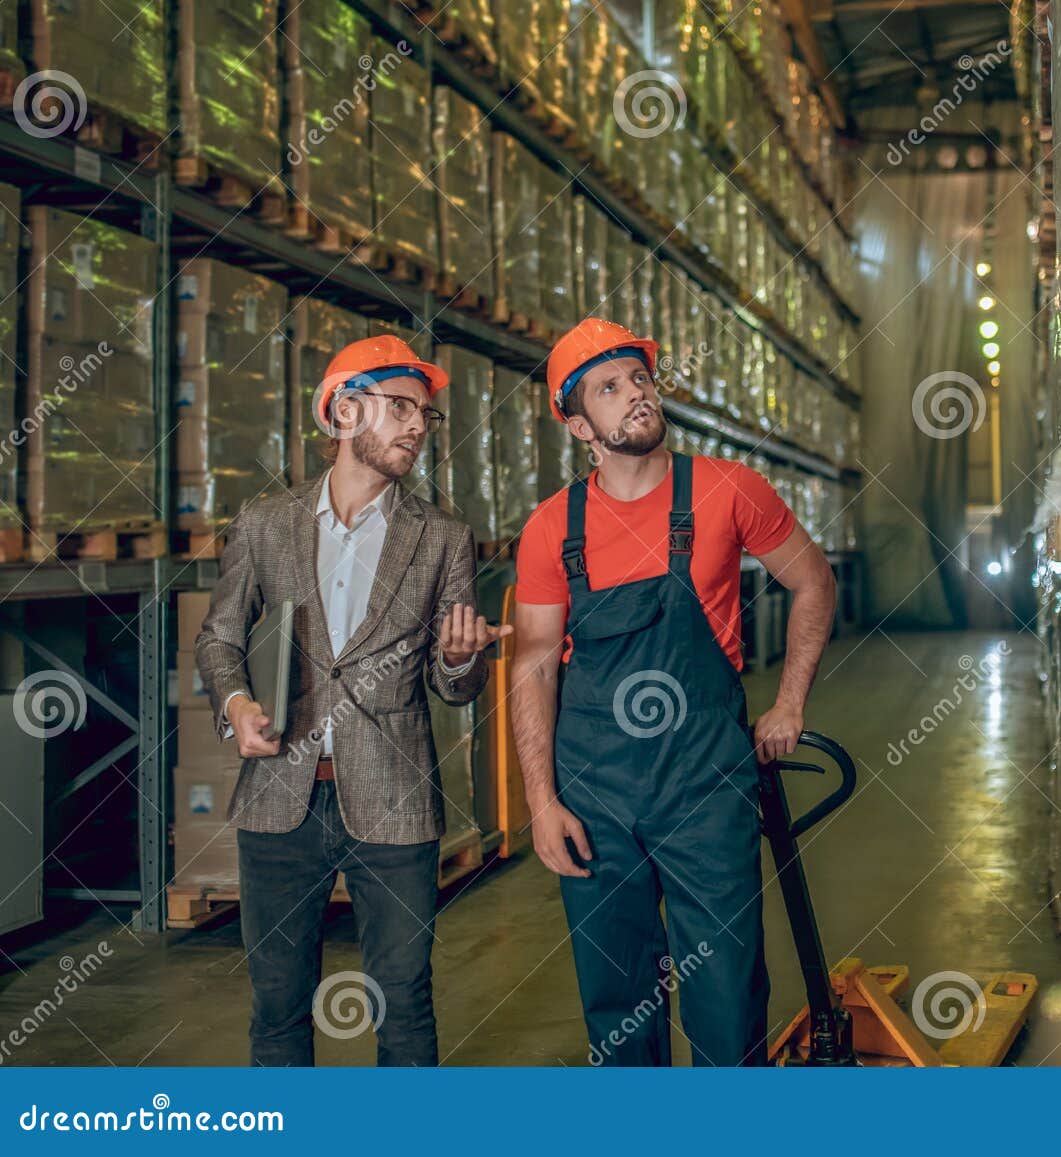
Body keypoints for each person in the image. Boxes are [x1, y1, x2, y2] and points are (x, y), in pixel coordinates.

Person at [508, 319, 837, 1066]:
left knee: (725, 983)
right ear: (577, 423)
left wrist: (788, 704)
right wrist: (540, 802)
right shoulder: (551, 529)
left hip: (704, 781)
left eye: (639, 379)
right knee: (618, 994)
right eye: (610, 388)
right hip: (594, 791)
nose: (635, 396)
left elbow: (813, 580)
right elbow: (533, 663)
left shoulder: (728, 490)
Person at [195, 334, 509, 1066]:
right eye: (400, 407)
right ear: (342, 410)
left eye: (424, 416)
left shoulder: (443, 539)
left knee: (403, 999)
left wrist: (460, 660)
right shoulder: (266, 524)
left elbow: (452, 686)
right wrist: (238, 704)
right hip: (280, 797)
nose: (416, 427)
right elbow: (218, 639)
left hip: (395, 799)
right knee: (277, 1001)